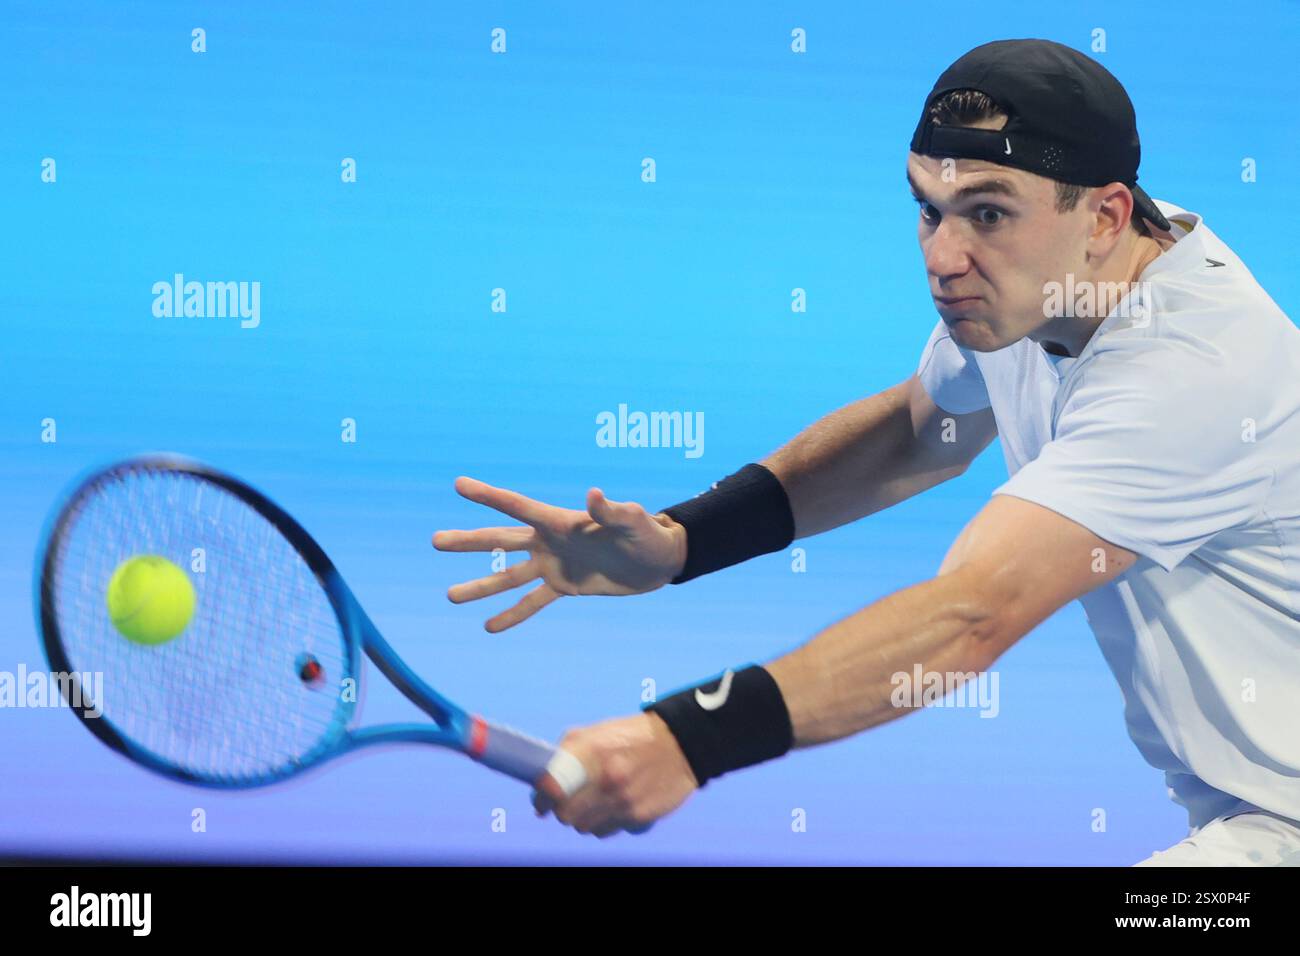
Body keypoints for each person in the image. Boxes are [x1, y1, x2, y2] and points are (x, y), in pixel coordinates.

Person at [433, 39, 1300, 865]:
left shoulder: (1189, 377)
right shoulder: (1057, 277)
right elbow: (923, 430)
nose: (943, 257)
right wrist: (683, 543)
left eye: (988, 213)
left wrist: (687, 740)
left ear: (1106, 215)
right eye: (930, 208)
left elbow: (972, 614)